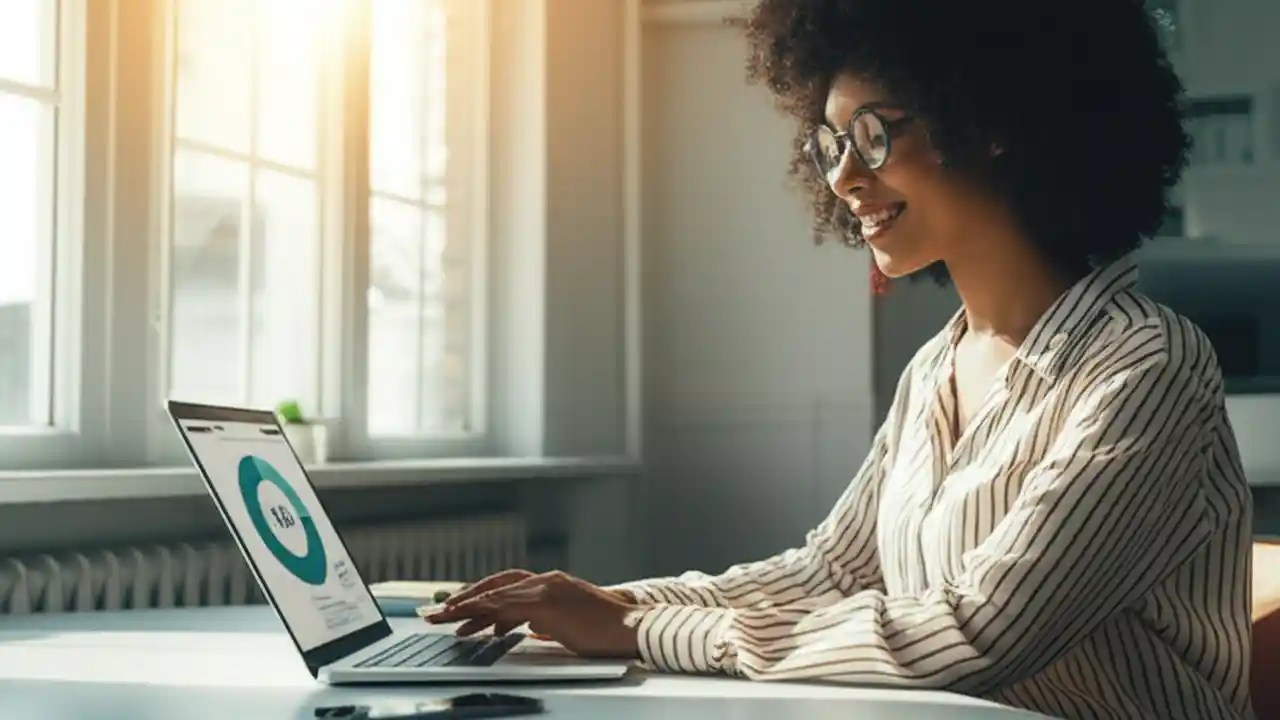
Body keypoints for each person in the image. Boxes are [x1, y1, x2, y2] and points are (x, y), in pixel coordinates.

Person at [428, 1, 1255, 717]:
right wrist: (599, 603)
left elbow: (974, 634)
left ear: (996, 121)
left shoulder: (1147, 365)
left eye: (873, 133)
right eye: (829, 145)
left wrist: (640, 630)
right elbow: (830, 569)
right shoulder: (937, 368)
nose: (844, 178)